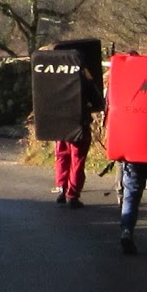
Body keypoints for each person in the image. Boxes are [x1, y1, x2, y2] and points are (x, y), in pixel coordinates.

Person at [53, 65, 104, 209]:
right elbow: (97, 101)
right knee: (77, 160)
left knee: (62, 156)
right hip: (78, 124)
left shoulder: (54, 77)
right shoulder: (83, 77)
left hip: (59, 124)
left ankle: (62, 189)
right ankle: (73, 195)